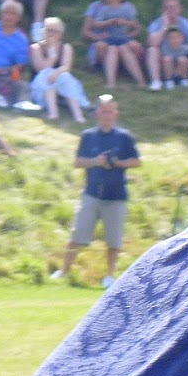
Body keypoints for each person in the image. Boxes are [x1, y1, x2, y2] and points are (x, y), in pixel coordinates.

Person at [52, 94, 140, 289]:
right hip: (91, 193)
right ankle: (64, 271)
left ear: (115, 113)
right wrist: (95, 162)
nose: (107, 115)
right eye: (104, 111)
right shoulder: (88, 136)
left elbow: (137, 161)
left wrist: (118, 163)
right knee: (78, 234)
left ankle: (109, 276)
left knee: (114, 239)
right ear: (98, 113)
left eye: (110, 111)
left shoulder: (124, 137)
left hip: (117, 195)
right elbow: (77, 161)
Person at [83, 0, 146, 87]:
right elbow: (95, 24)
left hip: (123, 38)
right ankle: (111, 82)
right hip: (109, 39)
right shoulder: (103, 9)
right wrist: (109, 23)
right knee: (112, 50)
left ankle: (141, 81)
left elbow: (135, 25)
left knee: (125, 49)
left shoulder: (128, 7)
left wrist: (124, 23)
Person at [30, 17, 89, 120]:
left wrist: (56, 73)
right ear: (43, 31)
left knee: (65, 76)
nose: (51, 34)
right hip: (40, 86)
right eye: (49, 30)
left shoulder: (66, 47)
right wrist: (52, 56)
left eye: (55, 31)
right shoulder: (36, 47)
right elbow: (40, 68)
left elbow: (66, 67)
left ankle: (78, 115)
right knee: (46, 74)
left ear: (60, 34)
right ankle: (53, 113)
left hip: (61, 82)